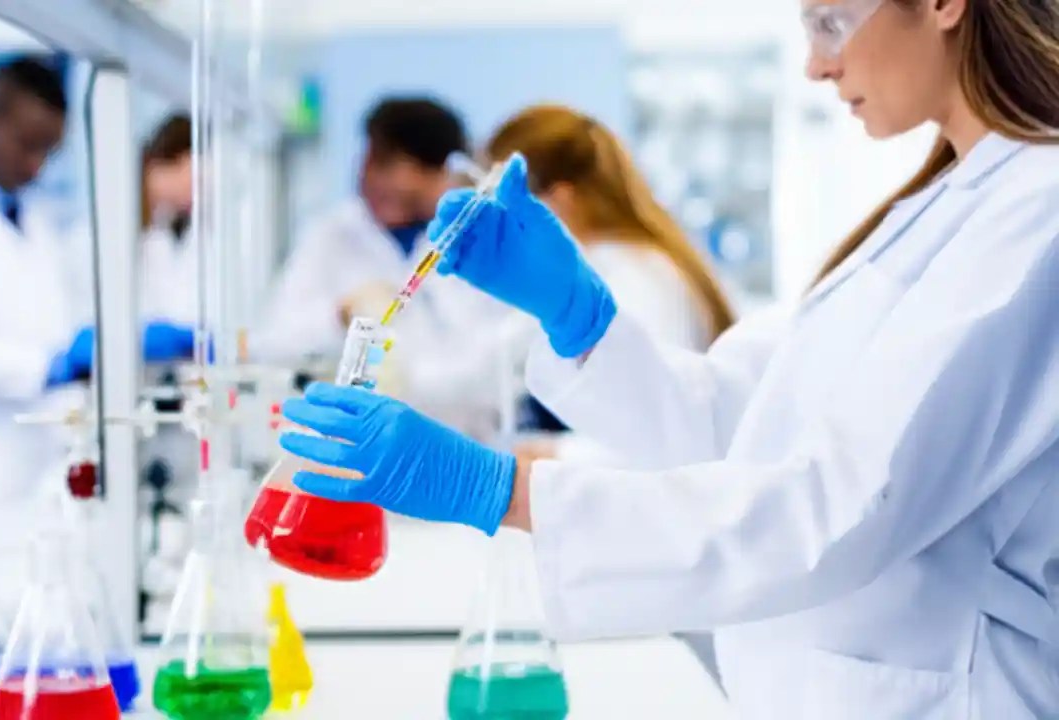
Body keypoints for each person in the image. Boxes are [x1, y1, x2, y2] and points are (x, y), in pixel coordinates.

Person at [276, 1, 1059, 717]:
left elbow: (839, 506)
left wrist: (496, 488)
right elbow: (737, 423)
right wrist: (577, 320)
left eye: (830, 20)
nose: (816, 64)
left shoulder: (1035, 210)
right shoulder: (940, 205)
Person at [0, 58, 193, 609]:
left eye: (49, 151)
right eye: (27, 145)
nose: (36, 165)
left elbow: (53, 320)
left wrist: (110, 340)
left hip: (35, 476)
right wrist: (54, 364)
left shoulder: (29, 218)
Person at [484, 105, 735, 467]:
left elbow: (662, 432)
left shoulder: (634, 276)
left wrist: (552, 454)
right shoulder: (625, 262)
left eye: (497, 196)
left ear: (558, 199)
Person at [252, 97, 509, 438]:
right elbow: (273, 341)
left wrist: (410, 379)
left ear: (438, 175)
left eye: (392, 167)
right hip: (356, 448)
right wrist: (338, 314)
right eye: (372, 161)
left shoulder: (474, 242)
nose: (374, 178)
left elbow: (496, 364)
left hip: (460, 444)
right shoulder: (329, 236)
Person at [138, 113, 198, 326]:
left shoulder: (165, 222)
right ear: (181, 159)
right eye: (195, 177)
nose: (197, 192)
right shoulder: (125, 215)